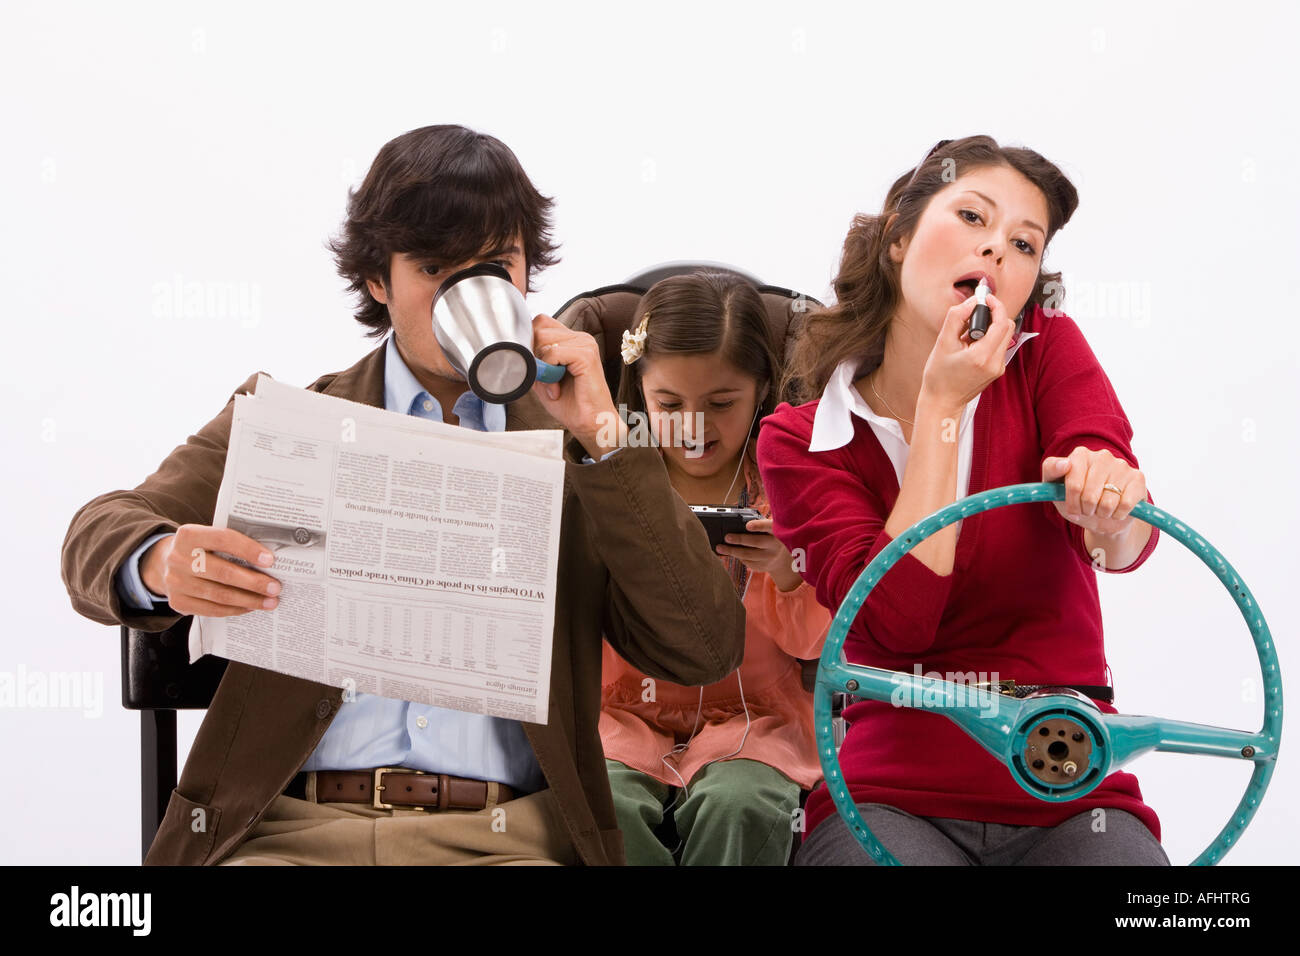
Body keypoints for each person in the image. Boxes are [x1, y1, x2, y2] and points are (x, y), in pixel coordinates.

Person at [60, 124, 745, 866]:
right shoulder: (291, 420)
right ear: (378, 281)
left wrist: (607, 439)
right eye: (434, 269)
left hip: (507, 841)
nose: (468, 294)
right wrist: (159, 561)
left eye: (493, 267)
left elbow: (703, 648)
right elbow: (96, 532)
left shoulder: (576, 450)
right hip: (288, 836)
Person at [757, 136, 1169, 865]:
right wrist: (943, 407)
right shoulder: (798, 441)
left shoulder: (1049, 349)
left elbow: (1123, 537)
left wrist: (1110, 507)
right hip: (888, 797)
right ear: (897, 236)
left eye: (1023, 243)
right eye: (972, 217)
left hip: (1067, 785)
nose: (996, 252)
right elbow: (898, 622)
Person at [600, 272, 831, 865]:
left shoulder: (788, 483)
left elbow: (825, 642)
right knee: (608, 803)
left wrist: (786, 570)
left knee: (743, 804)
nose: (694, 427)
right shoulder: (613, 482)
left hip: (756, 718)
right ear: (638, 391)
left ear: (762, 389)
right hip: (621, 709)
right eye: (669, 405)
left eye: (721, 404)